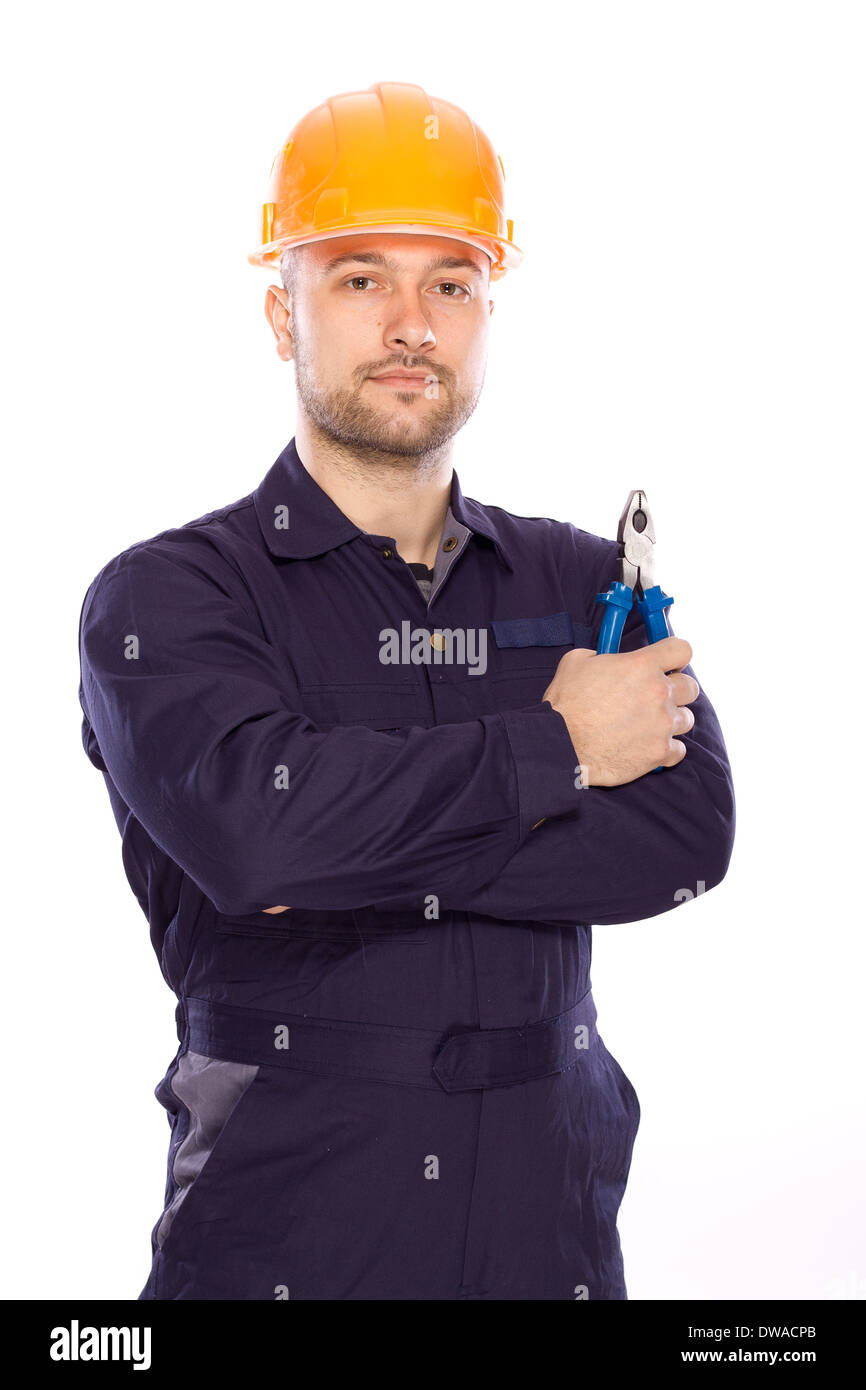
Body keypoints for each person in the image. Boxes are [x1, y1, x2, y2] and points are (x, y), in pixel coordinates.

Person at [77, 81, 735, 1301]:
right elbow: (254, 837)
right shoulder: (167, 600)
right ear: (282, 312)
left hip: (552, 1257)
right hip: (277, 1253)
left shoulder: (581, 579)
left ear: (489, 308)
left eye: (450, 281)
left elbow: (684, 836)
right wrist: (557, 753)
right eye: (360, 277)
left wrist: (333, 842)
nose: (410, 322)